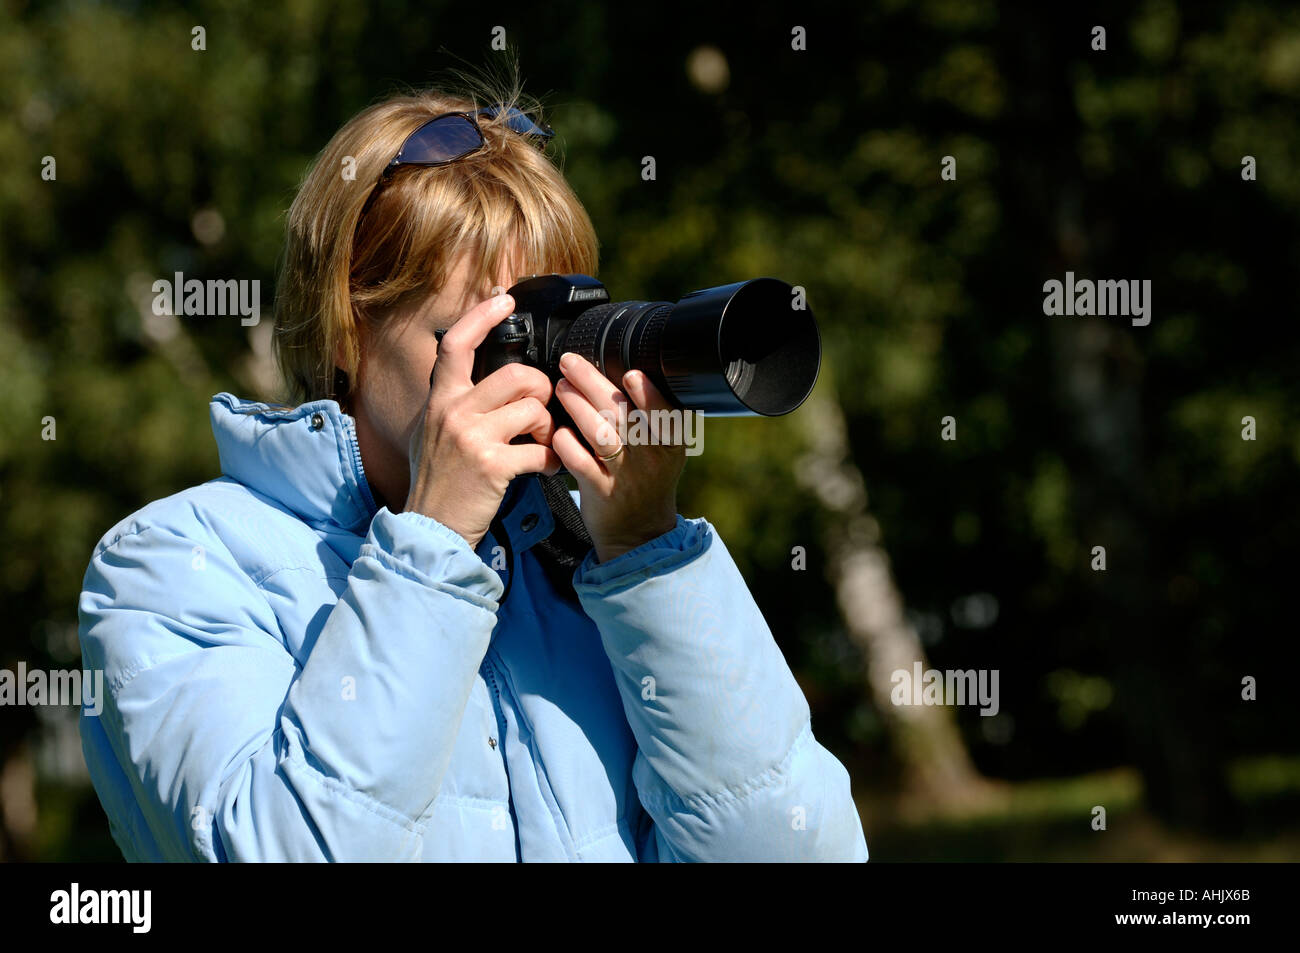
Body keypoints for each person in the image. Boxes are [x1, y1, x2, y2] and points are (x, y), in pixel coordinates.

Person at [76, 81, 869, 862]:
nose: (529, 376)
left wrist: (645, 555)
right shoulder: (173, 565)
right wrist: (434, 545)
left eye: (557, 328)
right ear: (347, 328)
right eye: (487, 335)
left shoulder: (577, 570)